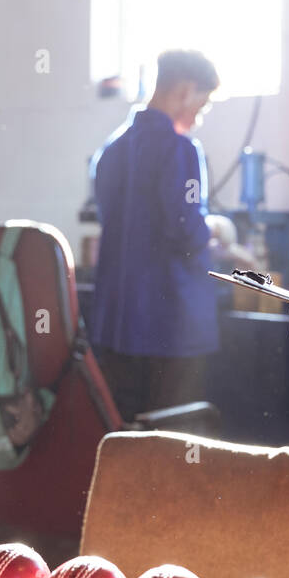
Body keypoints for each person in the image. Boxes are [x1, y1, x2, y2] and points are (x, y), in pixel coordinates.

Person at [89, 49, 220, 420]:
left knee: (121, 436)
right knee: (170, 442)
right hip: (172, 325)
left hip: (116, 324)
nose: (199, 117)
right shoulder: (182, 150)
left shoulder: (109, 152)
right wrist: (216, 231)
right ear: (184, 91)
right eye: (203, 103)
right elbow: (186, 228)